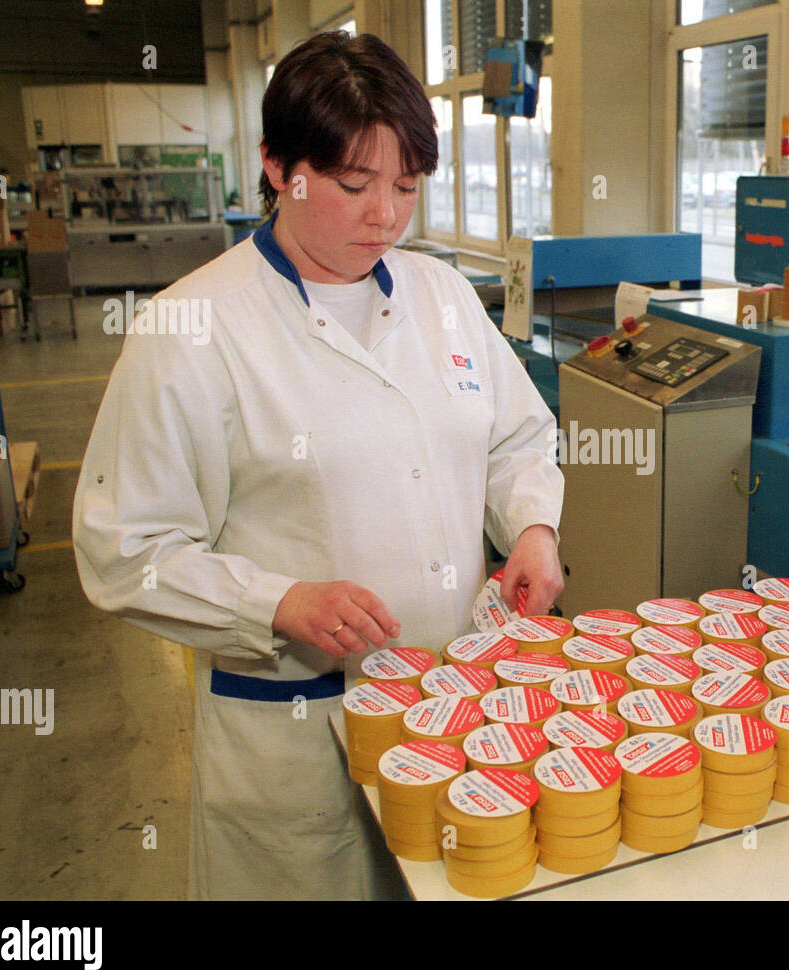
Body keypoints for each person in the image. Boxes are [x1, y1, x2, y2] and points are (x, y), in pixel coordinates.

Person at [72, 32, 565, 900]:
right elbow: (124, 549)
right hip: (296, 737)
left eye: (406, 186)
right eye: (353, 184)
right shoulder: (192, 329)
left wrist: (531, 528)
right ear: (277, 167)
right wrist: (275, 602)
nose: (386, 216)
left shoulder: (442, 296)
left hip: (452, 717)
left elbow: (515, 436)